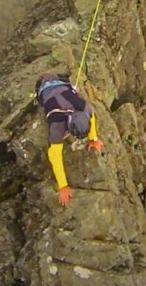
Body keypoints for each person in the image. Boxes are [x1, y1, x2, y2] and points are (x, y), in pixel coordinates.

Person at [34, 73, 104, 207]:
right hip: (42, 86)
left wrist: (93, 139)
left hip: (62, 81)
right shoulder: (57, 126)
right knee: (52, 97)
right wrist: (63, 186)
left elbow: (92, 117)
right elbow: (55, 157)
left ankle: (69, 88)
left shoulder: (85, 108)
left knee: (70, 92)